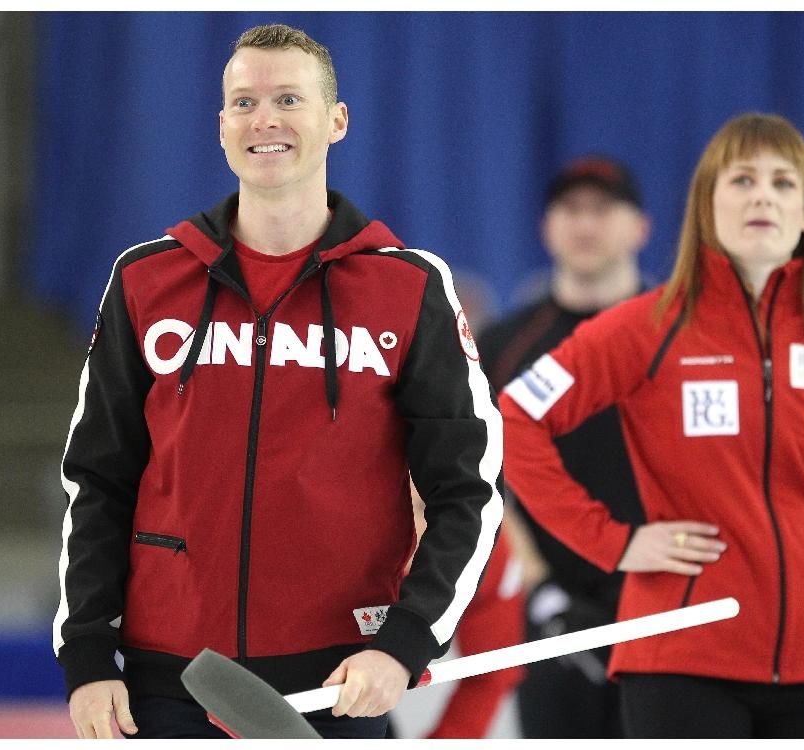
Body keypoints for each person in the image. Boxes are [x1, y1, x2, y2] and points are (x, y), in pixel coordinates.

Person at [53, 24, 503, 740]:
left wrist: (405, 642)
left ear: (336, 120)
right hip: (168, 678)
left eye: (288, 98)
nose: (264, 119)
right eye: (243, 102)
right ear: (222, 126)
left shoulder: (407, 287)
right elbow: (98, 480)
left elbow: (468, 492)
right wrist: (85, 651)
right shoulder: (145, 280)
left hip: (338, 680)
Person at [500, 113, 804, 739]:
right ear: (706, 208)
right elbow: (514, 417)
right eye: (741, 180)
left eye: (782, 183)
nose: (762, 196)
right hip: (682, 663)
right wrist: (613, 542)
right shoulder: (645, 327)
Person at [478, 155, 651, 738]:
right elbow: (474, 477)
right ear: (546, 226)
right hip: (551, 616)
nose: (585, 225)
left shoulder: (678, 333)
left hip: (661, 602)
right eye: (570, 210)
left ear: (640, 227)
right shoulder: (503, 345)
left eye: (603, 210)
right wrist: (541, 589)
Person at [388, 483, 525, 739]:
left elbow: (492, 673)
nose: (410, 526)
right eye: (396, 504)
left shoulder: (484, 554)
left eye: (427, 508)